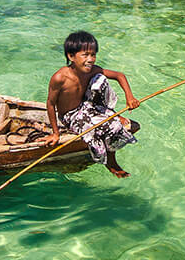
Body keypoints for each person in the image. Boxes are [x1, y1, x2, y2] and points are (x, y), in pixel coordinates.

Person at [45, 30, 141, 177]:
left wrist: (130, 97)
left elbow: (119, 76)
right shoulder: (59, 78)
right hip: (70, 116)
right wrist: (55, 133)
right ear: (71, 56)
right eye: (85, 55)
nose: (90, 59)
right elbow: (50, 104)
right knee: (99, 131)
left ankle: (111, 160)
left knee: (100, 81)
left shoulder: (91, 70)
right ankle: (107, 160)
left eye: (93, 55)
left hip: (86, 106)